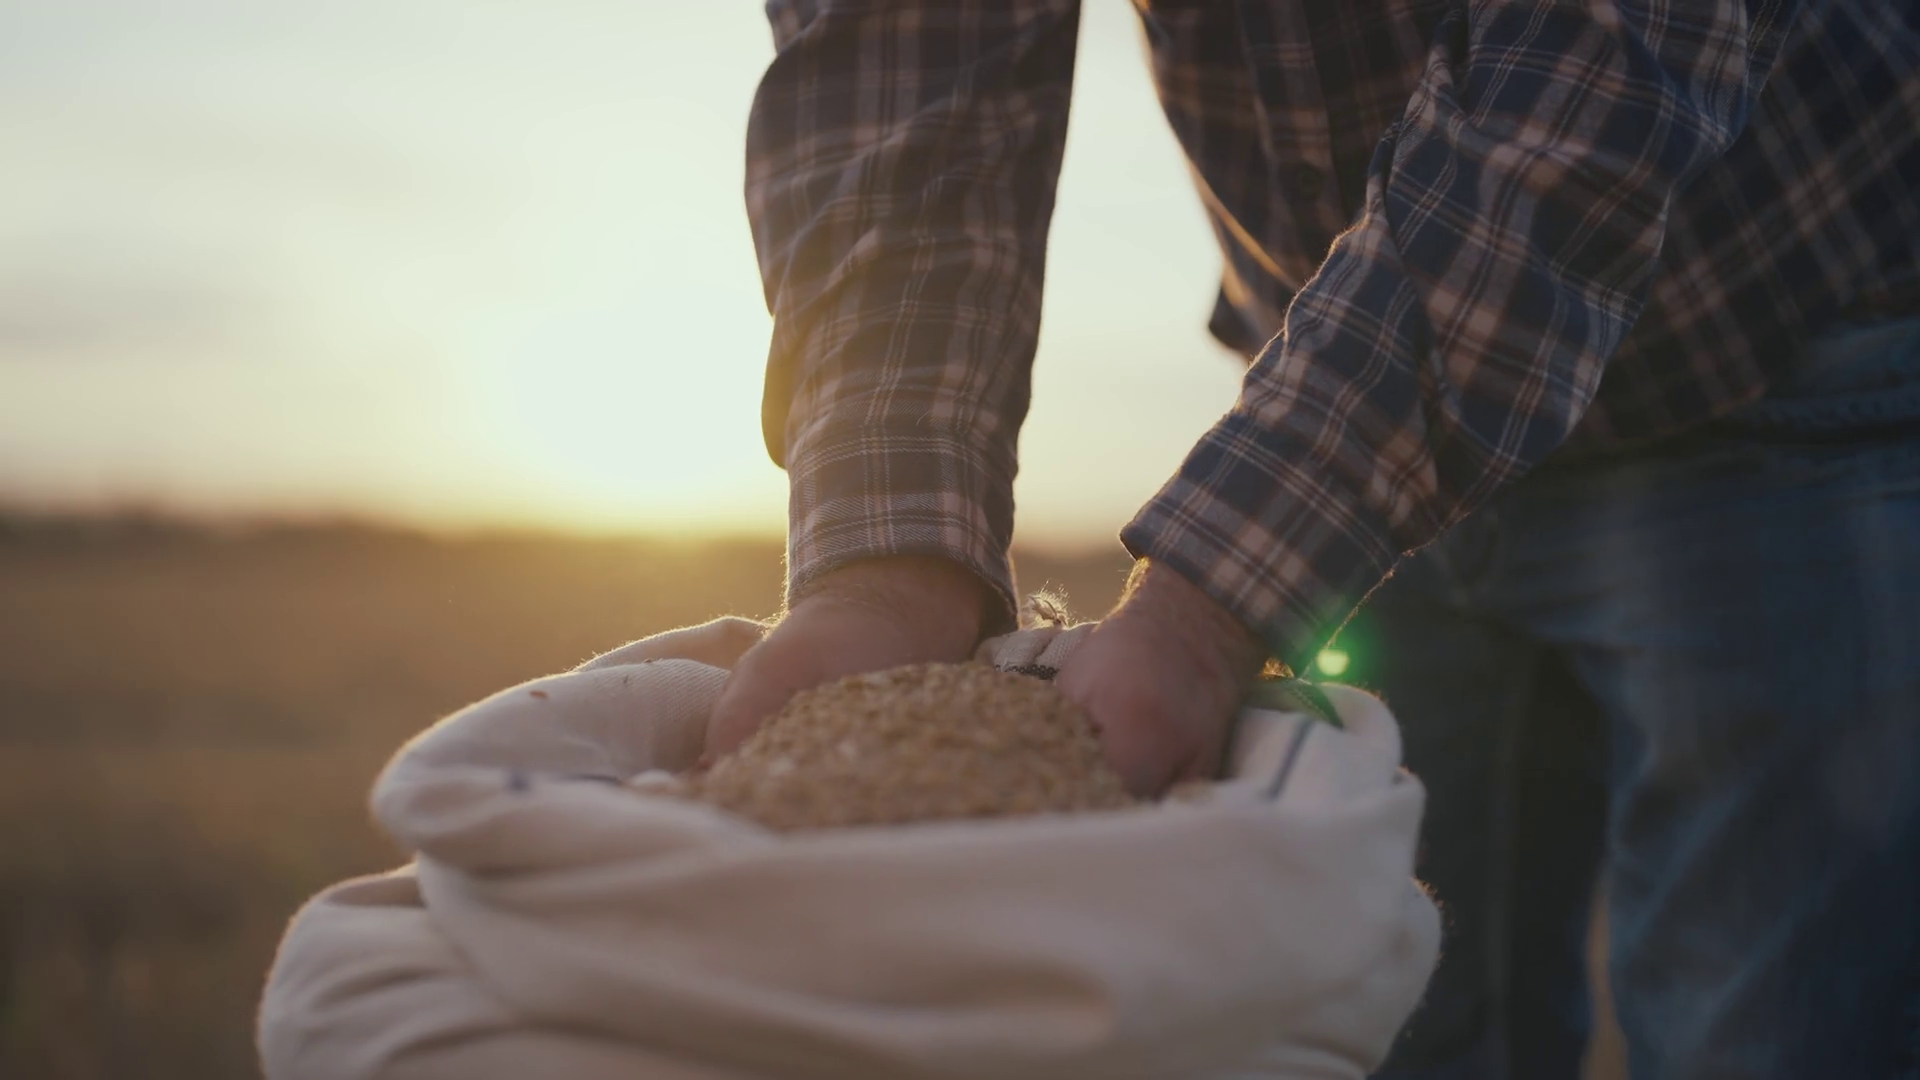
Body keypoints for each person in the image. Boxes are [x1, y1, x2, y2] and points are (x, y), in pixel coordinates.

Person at [707, 1, 1920, 1076]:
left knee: (1765, 1032)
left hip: (1774, 346)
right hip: (1358, 429)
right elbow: (904, 54)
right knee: (1379, 1028)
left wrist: (1206, 604)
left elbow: (1593, 66)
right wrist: (888, 556)